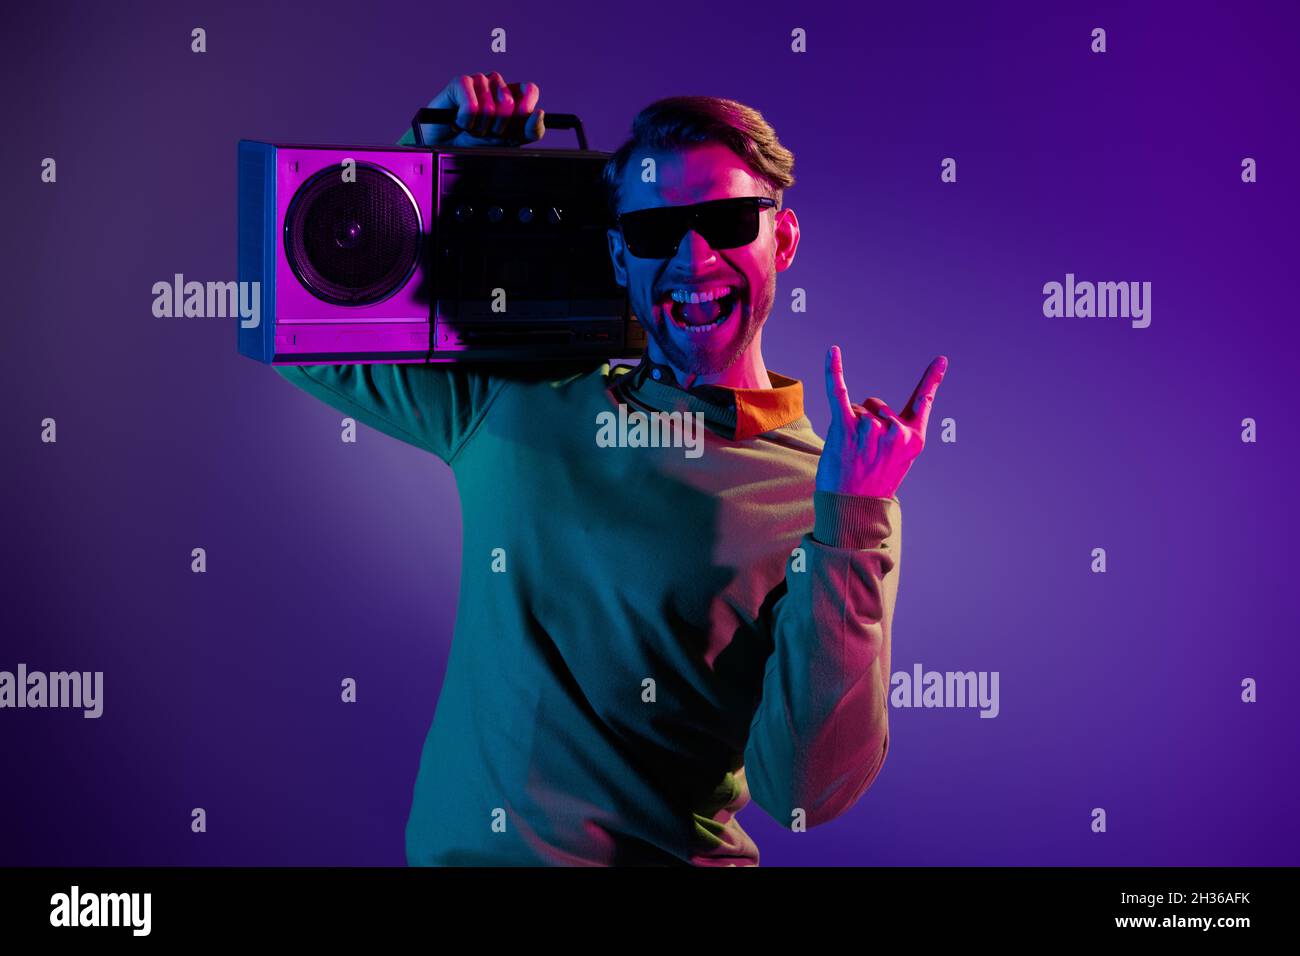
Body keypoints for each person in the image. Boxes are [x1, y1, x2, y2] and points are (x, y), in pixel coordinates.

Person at [275, 72, 948, 866]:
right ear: (619, 252)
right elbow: (306, 333)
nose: (694, 259)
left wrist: (853, 521)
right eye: (658, 232)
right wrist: (429, 162)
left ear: (784, 239)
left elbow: (802, 794)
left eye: (728, 220)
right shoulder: (519, 403)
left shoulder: (828, 495)